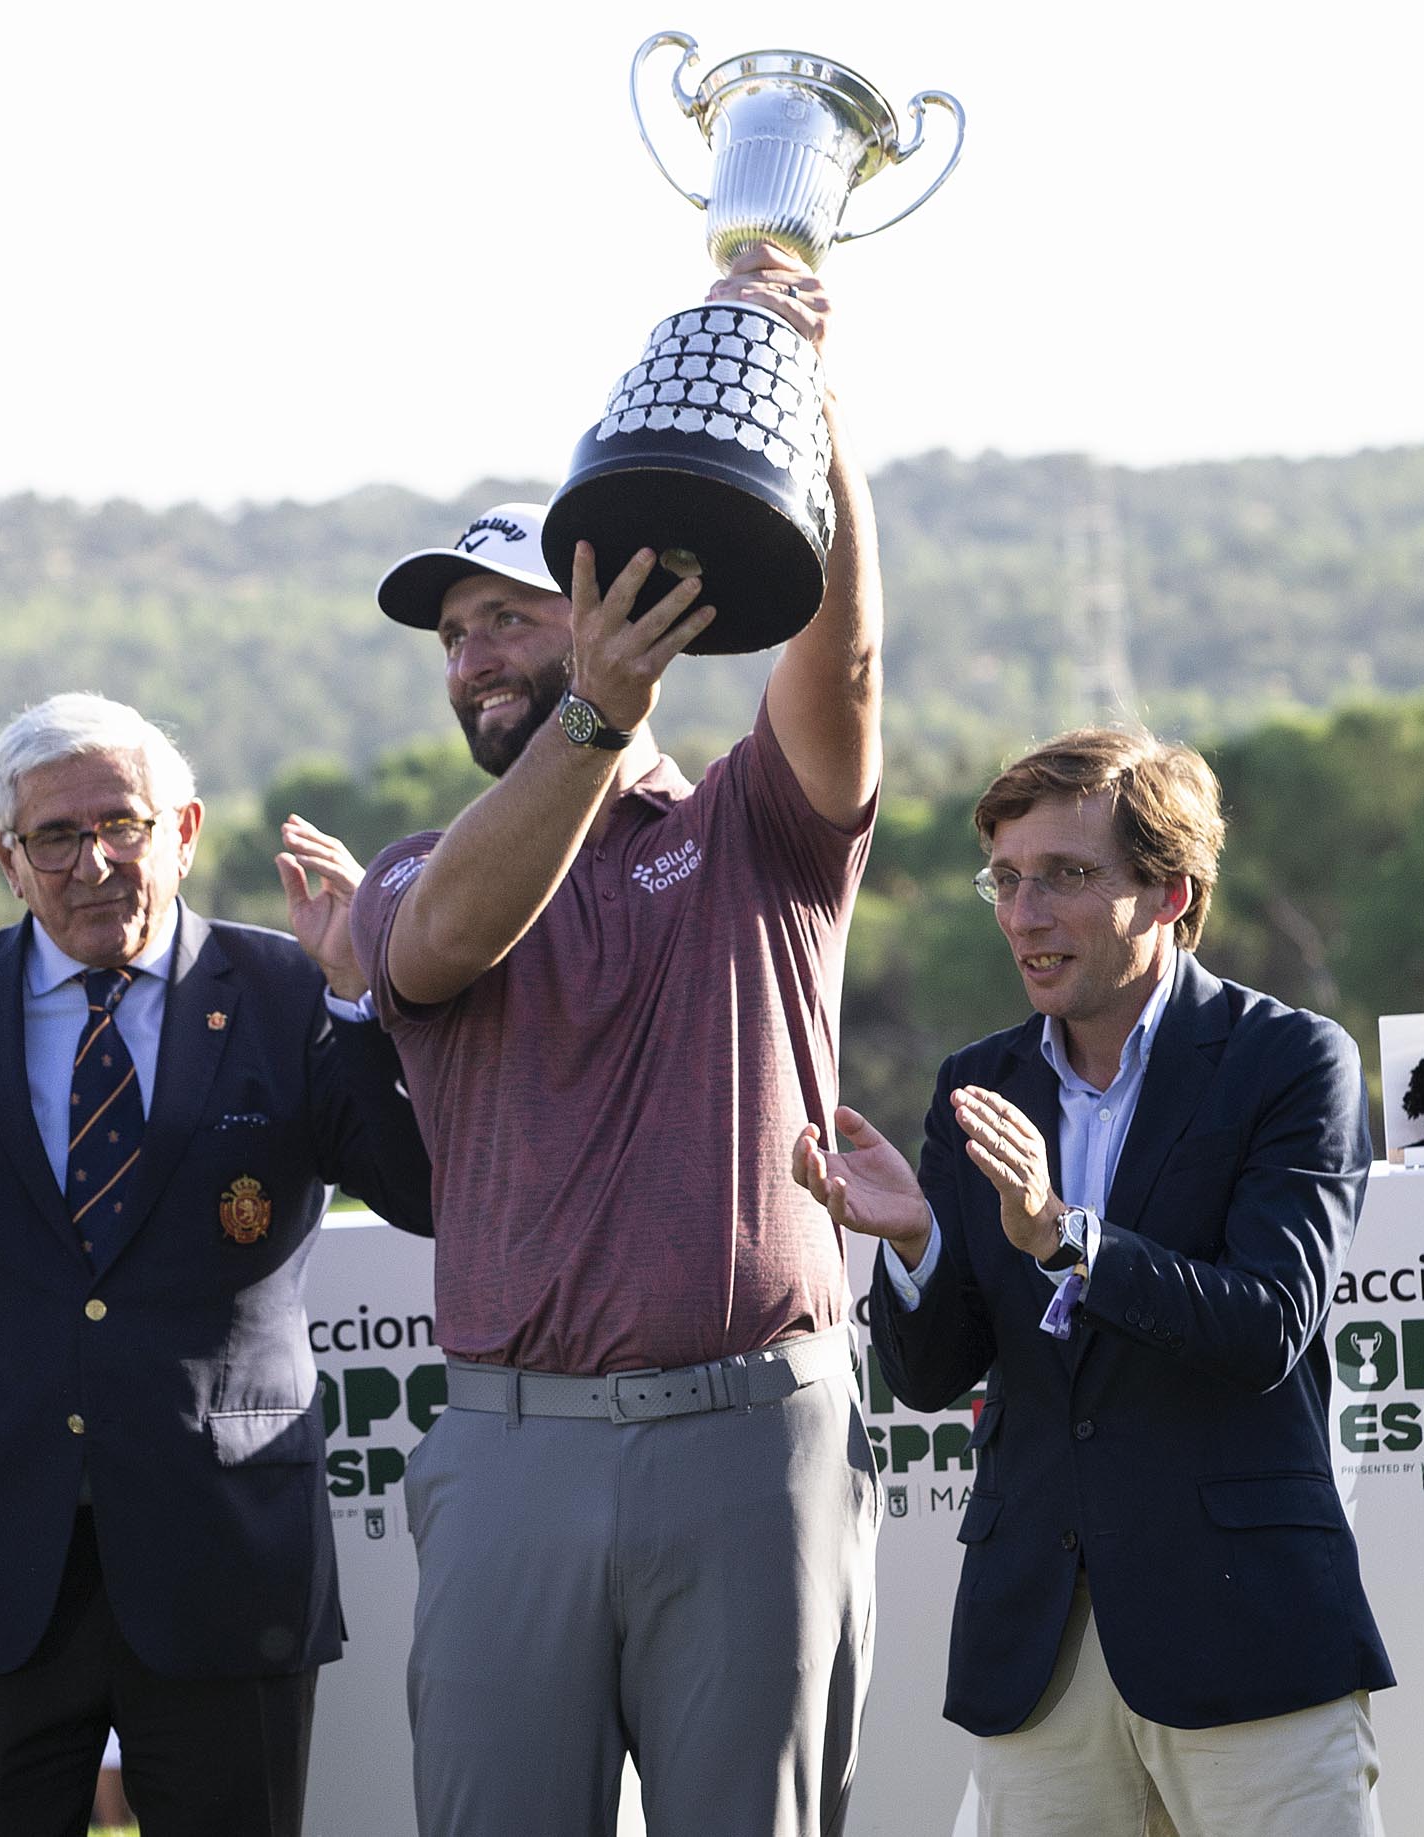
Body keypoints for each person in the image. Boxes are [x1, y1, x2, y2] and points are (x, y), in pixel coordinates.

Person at [346, 245, 885, 1837]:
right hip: (517, 1444)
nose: (472, 657)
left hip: (753, 1433)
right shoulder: (416, 874)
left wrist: (807, 404)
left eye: (506, 618)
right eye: (453, 636)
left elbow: (843, 665)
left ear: (611, 606)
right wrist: (588, 714)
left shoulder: (749, 827)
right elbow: (444, 943)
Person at [0, 690, 434, 1836]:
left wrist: (355, 1001)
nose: (93, 862)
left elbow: (424, 1191)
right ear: (5, 857)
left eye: (121, 825)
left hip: (225, 1559)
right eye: (54, 835)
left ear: (182, 831)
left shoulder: (288, 988)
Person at [793, 727, 1395, 1835]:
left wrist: (1069, 1238)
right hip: (1039, 1657)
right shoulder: (976, 1083)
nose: (1023, 915)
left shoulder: (1291, 1060)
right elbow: (931, 1375)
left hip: (1249, 1638)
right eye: (1005, 879)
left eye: (1066, 875)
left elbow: (1266, 1325)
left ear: (1170, 893)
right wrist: (916, 1243)